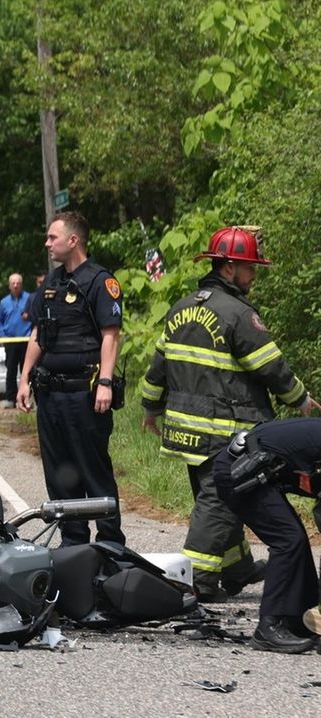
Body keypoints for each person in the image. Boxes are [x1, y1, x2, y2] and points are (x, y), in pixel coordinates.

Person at [141, 226, 320, 602]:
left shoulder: (180, 308)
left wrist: (150, 408)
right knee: (218, 502)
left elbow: (158, 368)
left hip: (185, 431)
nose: (254, 274)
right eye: (249, 267)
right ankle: (197, 579)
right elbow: (272, 368)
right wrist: (301, 401)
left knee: (226, 495)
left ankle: (236, 567)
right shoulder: (238, 314)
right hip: (224, 429)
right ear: (228, 268)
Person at [16, 211, 125, 546]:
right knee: (60, 472)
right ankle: (73, 541)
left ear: (73, 240)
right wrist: (24, 380)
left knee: (93, 469)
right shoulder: (50, 283)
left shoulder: (100, 281)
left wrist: (105, 381)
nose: (48, 243)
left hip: (85, 395)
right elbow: (38, 334)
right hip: (50, 394)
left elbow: (111, 334)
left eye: (53, 237)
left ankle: (109, 543)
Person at [212, 418, 321, 653]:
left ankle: (297, 620)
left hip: (256, 467)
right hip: (238, 471)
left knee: (295, 539)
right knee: (288, 540)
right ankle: (267, 629)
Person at [0, 272, 32, 408]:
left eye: (18, 283)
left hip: (26, 341)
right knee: (11, 371)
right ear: (9, 285)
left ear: (21, 285)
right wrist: (3, 336)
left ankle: (27, 399)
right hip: (10, 342)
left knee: (27, 371)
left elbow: (35, 317)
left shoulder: (29, 298)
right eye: (13, 283)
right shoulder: (4, 302)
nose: (15, 285)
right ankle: (11, 398)